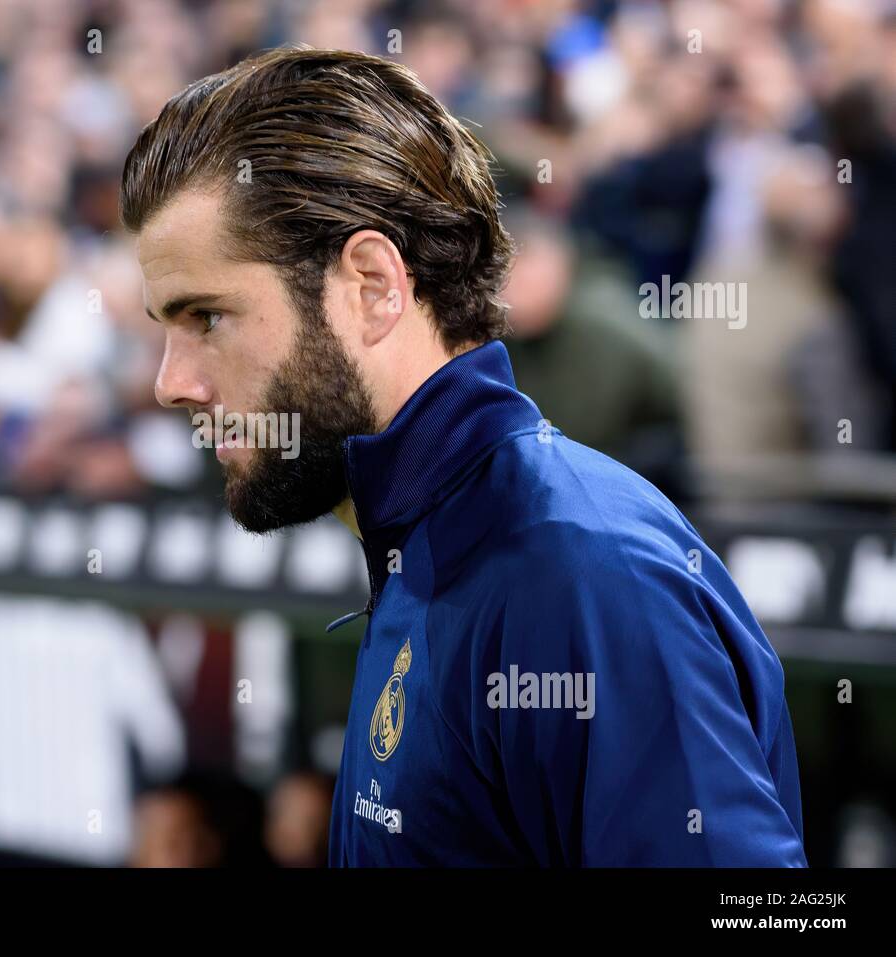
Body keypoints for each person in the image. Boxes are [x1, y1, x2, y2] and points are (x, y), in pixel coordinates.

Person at [121, 46, 806, 866]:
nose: (171, 383)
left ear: (373, 285)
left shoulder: (583, 571)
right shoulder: (425, 540)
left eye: (207, 316)